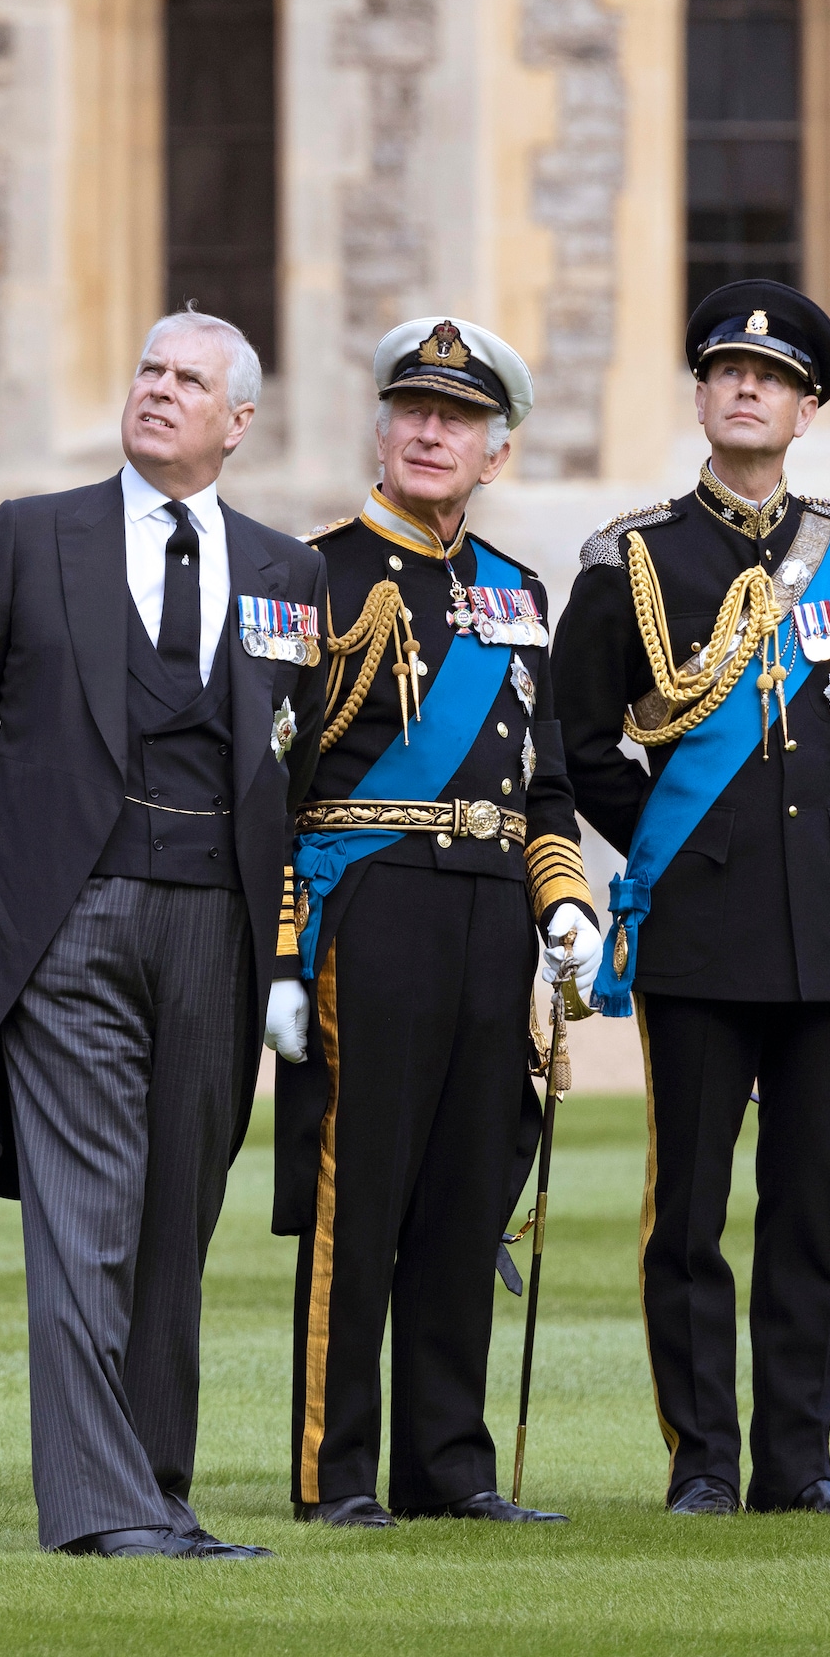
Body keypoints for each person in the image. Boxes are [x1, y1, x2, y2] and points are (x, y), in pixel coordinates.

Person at [0, 311, 324, 1559]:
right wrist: (38, 860)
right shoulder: (32, 537)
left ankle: (157, 1491)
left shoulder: (284, 572)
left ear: (236, 422)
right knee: (86, 1212)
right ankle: (97, 1510)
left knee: (173, 1221)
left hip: (217, 925)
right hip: (72, 921)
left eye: (187, 379)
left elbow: (289, 762)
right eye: (146, 368)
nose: (156, 391)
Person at [550, 281, 830, 1517]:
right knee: (691, 1214)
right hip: (698, 923)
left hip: (827, 923)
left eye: (770, 377)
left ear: (806, 410)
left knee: (804, 1211)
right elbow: (577, 743)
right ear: (701, 397)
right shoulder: (635, 556)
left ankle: (796, 1463)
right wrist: (668, 840)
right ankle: (701, 1460)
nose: (745, 387)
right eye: (723, 372)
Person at [272, 317, 597, 1529]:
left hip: (487, 918)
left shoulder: (517, 593)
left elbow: (546, 782)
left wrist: (561, 900)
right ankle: (335, 1469)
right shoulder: (312, 575)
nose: (428, 432)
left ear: (491, 455)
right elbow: (274, 784)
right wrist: (286, 952)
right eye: (411, 411)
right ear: (379, 427)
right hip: (373, 911)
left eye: (455, 421)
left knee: (468, 1194)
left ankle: (449, 1467)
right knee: (358, 1198)